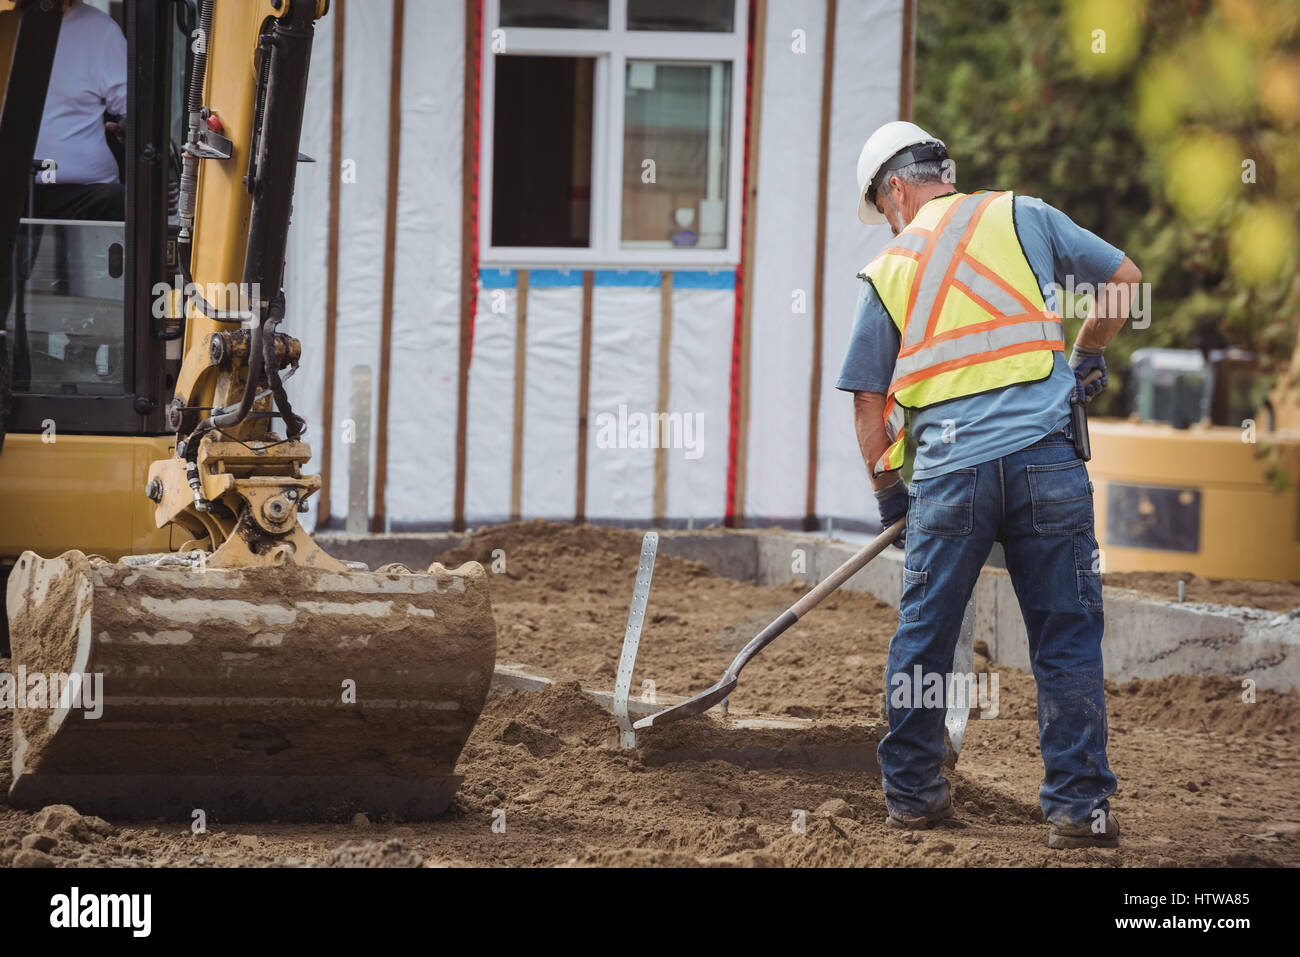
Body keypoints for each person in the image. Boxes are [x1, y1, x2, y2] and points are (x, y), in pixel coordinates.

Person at [837, 121, 1142, 849]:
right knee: (1066, 635)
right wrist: (1085, 352)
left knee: (926, 633)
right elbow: (1126, 283)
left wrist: (889, 496)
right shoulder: (1021, 214)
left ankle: (912, 793)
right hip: (1048, 462)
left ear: (895, 191)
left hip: (949, 476)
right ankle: (1079, 808)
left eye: (883, 208)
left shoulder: (891, 266)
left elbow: (868, 401)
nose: (889, 219)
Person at [30, 0, 127, 221]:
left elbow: (132, 104)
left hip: (85, 188)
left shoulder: (100, 30)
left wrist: (126, 125)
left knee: (121, 201)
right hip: (11, 187)